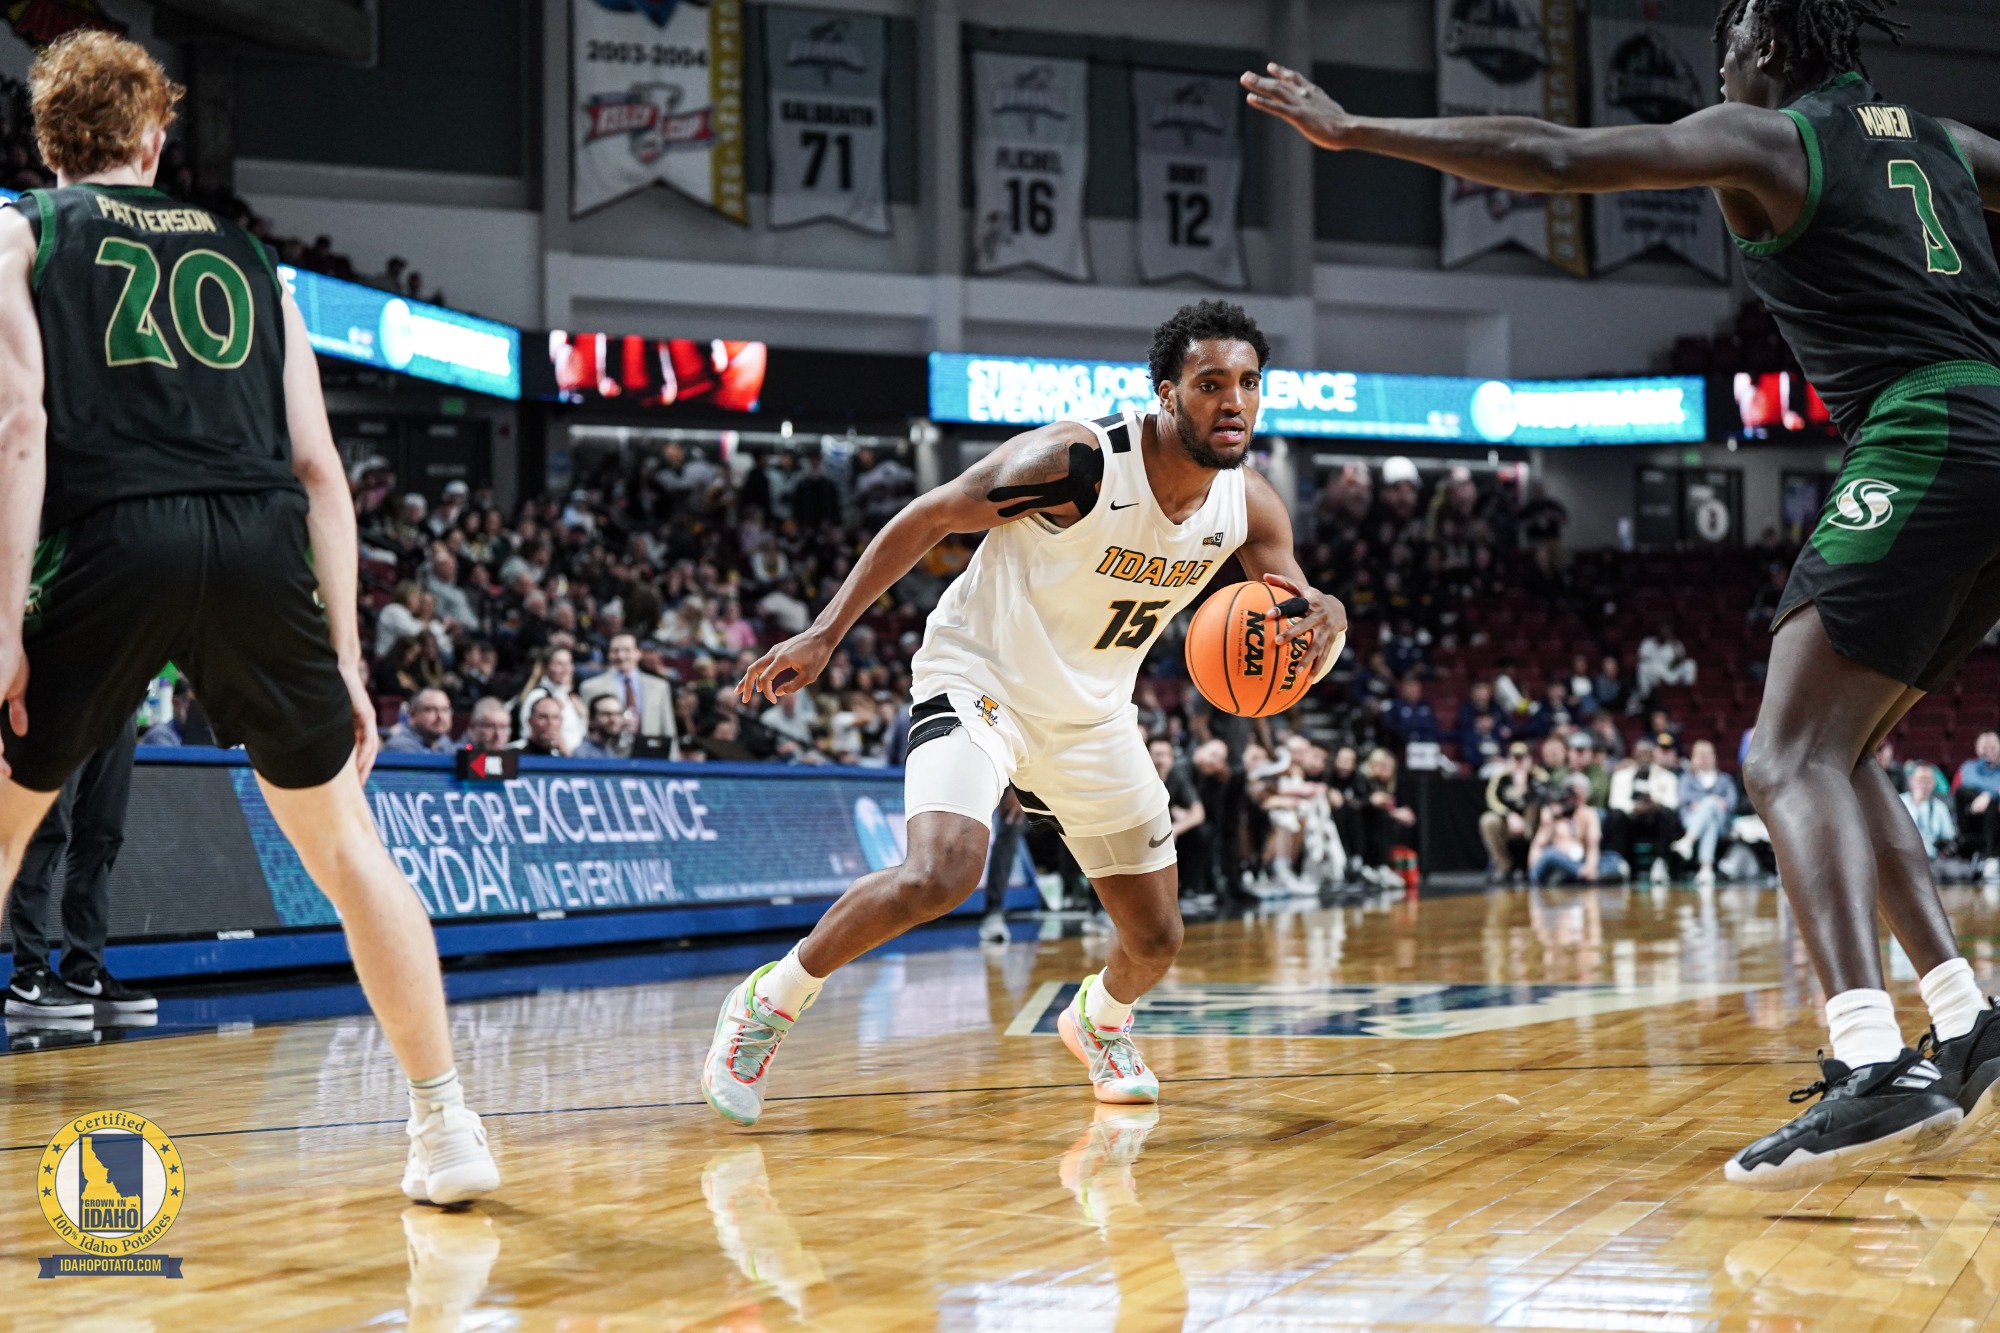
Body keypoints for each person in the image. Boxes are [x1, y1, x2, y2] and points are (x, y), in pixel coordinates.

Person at [1247, 0, 2000, 1188]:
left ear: (1763, 52)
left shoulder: (1774, 139)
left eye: (1727, 47)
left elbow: (1554, 156)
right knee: (1842, 754)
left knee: (1780, 756)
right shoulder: (1945, 143)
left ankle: (1871, 1058)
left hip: (1921, 429)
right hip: (1993, 437)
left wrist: (1355, 133)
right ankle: (1962, 1016)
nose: (1719, 65)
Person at [0, 33, 494, 1203]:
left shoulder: (23, 235)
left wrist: (5, 616)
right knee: (344, 848)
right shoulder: (254, 262)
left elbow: (20, 427)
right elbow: (323, 470)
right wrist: (347, 656)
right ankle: (446, 1126)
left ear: (44, 142)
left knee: (9, 830)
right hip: (260, 540)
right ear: (155, 139)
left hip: (113, 534)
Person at [697, 300, 1346, 1125]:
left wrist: (1333, 615)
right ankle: (769, 1000)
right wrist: (826, 634)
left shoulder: (1248, 504)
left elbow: (1296, 599)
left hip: (1095, 715)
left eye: (1249, 383)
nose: (1234, 402)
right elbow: (933, 514)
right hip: (981, 679)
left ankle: (1099, 1021)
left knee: (1156, 940)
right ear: (1166, 394)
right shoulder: (1078, 461)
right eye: (1210, 383)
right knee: (941, 872)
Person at [4, 720, 153, 1019]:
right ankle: (29, 974)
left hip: (120, 699)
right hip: (65, 692)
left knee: (103, 833)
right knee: (45, 832)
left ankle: (84, 969)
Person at [580, 632, 677, 758]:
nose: (621, 656)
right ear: (609, 654)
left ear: (638, 653)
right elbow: (586, 729)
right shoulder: (590, 687)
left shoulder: (659, 687)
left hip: (651, 759)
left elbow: (668, 729)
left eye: (627, 650)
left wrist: (674, 762)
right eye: (615, 651)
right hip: (608, 759)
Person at [1527, 776, 1627, 885]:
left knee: (1614, 859)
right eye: (1572, 795)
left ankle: (1579, 874)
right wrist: (1550, 822)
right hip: (1557, 860)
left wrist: (1590, 867)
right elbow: (1538, 845)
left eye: (1579, 794)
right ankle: (1580, 874)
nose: (1575, 799)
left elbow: (1593, 844)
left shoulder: (1589, 814)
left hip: (1581, 860)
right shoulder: (1552, 813)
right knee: (1550, 855)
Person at [1673, 740, 1741, 888]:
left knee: (1710, 805)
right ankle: (1706, 869)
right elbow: (1683, 798)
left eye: (1707, 756)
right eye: (1700, 756)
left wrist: (1706, 802)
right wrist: (1715, 801)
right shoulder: (1686, 779)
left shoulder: (1725, 779)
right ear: (1693, 759)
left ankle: (1688, 841)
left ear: (1714, 758)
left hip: (1722, 822)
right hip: (1692, 819)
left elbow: (1732, 803)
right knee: (1710, 821)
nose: (1703, 760)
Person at [1478, 741, 1542, 883]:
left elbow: (1544, 798)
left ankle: (1534, 867)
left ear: (1529, 760)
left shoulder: (1538, 776)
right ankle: (1503, 866)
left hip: (1534, 826)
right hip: (1509, 825)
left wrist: (1524, 788)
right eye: (1515, 758)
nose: (1518, 762)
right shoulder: (1501, 777)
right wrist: (1509, 815)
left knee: (1538, 811)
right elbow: (1491, 800)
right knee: (1488, 820)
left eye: (1522, 758)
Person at [515, 646, 586, 754]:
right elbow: (528, 732)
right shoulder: (538, 696)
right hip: (551, 759)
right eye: (559, 664)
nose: (566, 669)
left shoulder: (569, 697)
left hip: (574, 756)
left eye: (569, 663)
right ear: (545, 668)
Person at [1953, 731, 2000, 881]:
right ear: (1977, 748)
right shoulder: (1969, 767)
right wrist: (1993, 792)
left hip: (1996, 814)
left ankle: (1990, 858)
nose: (1989, 749)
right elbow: (1969, 785)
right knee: (1963, 792)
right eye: (1985, 745)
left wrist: (1990, 795)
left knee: (1992, 803)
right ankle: (1988, 857)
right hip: (1972, 815)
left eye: (1993, 745)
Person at [1902, 761, 1960, 868]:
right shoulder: (1899, 802)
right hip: (1903, 857)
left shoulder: (1940, 808)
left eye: (1927, 781)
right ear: (1911, 781)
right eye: (1920, 780)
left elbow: (1950, 837)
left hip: (1932, 860)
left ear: (1933, 783)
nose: (1923, 785)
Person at [384, 688, 456, 755]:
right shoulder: (400, 746)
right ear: (412, 714)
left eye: (445, 709)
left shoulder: (443, 741)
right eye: (430, 710)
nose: (440, 717)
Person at [573, 693, 627, 760]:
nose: (613, 719)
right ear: (591, 719)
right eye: (606, 714)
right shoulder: (583, 754)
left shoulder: (622, 749)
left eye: (618, 714)